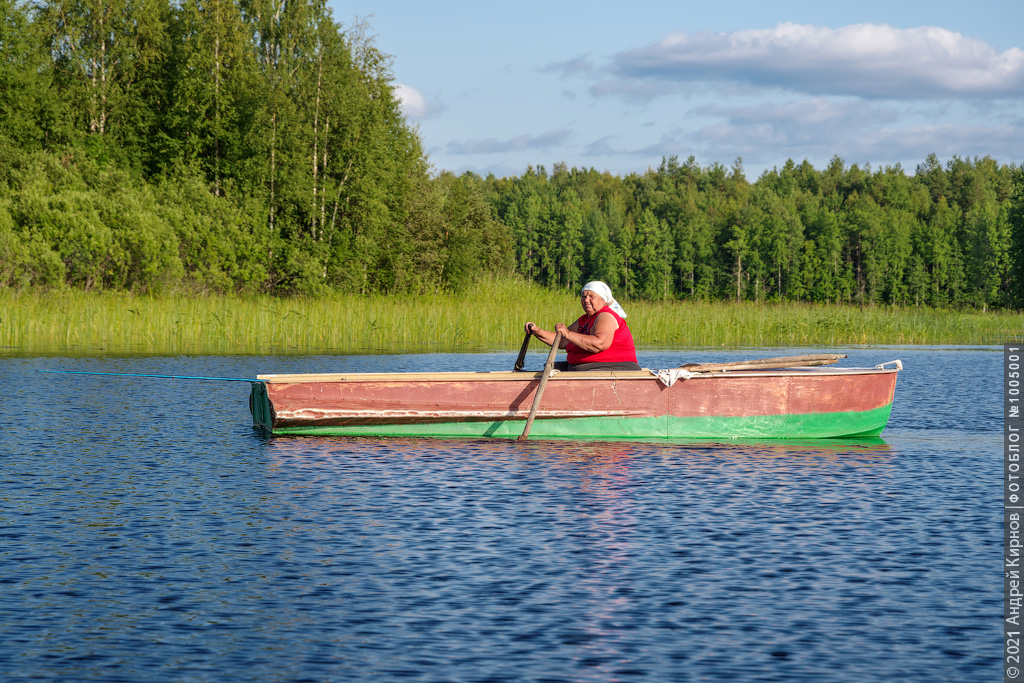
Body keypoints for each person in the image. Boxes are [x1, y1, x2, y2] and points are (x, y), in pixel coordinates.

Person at [524, 281, 642, 371]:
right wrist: (536, 331)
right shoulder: (584, 319)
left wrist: (568, 333)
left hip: (613, 369)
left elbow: (600, 343)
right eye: (583, 296)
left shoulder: (606, 315)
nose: (586, 300)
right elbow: (561, 341)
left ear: (603, 300)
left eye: (591, 296)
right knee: (551, 367)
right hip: (587, 368)